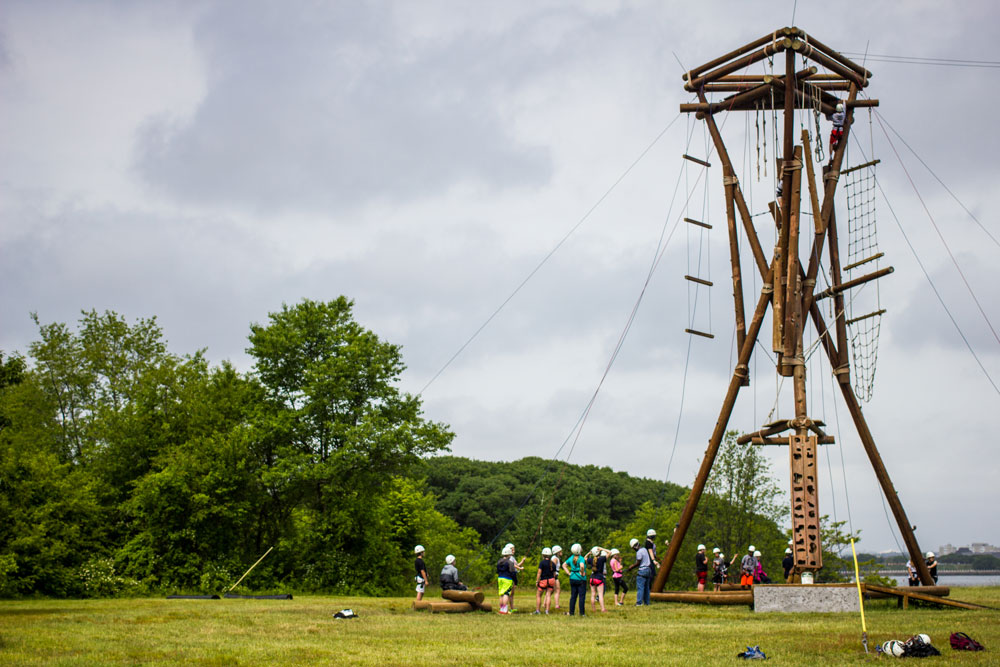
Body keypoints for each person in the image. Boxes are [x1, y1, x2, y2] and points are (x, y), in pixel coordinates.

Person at [562, 543, 588, 616]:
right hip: (581, 579)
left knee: (573, 596)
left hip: (572, 578)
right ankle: (582, 613)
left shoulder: (571, 557)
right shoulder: (581, 558)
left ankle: (571, 612)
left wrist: (569, 573)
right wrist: (582, 572)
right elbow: (582, 566)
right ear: (579, 550)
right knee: (581, 596)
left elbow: (564, 565)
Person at [627, 537, 653, 605]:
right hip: (648, 569)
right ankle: (647, 603)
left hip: (642, 570)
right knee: (647, 588)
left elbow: (638, 563)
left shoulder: (638, 552)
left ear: (634, 547)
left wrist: (631, 567)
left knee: (640, 587)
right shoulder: (644, 549)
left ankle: (639, 603)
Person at [535, 547, 556, 614]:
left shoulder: (542, 563)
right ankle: (547, 611)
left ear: (543, 555)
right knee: (548, 595)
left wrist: (537, 581)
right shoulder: (553, 563)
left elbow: (539, 573)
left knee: (538, 595)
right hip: (551, 580)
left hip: (543, 580)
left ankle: (538, 610)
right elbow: (554, 574)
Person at [497, 545, 515, 614]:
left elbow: (497, 570)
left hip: (500, 579)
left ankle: (501, 609)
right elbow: (512, 572)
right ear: (509, 555)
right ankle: (505, 610)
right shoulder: (509, 562)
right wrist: (515, 581)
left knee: (501, 594)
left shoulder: (499, 561)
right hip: (507, 579)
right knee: (506, 594)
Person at [589, 547, 609, 612]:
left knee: (593, 594)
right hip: (599, 578)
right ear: (599, 553)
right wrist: (602, 549)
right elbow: (610, 552)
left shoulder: (591, 559)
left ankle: (593, 609)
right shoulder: (601, 559)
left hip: (592, 578)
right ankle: (603, 609)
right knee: (600, 594)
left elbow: (584, 558)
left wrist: (589, 553)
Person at [551, 545, 563, 609]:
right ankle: (557, 605)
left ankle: (544, 603)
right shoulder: (555, 558)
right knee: (557, 590)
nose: (561, 552)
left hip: (554, 575)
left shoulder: (555, 558)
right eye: (560, 551)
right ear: (557, 552)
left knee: (551, 590)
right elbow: (553, 567)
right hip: (554, 576)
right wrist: (554, 576)